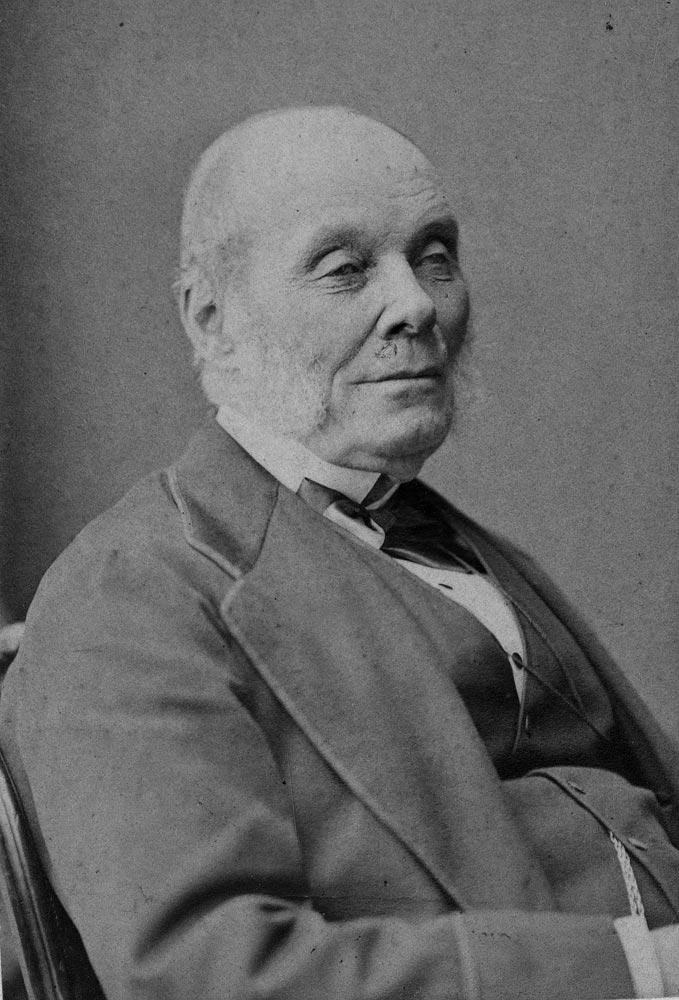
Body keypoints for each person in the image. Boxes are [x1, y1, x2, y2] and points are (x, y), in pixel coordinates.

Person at [1, 106, 678, 1000]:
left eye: (434, 256)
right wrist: (641, 970)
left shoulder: (455, 539)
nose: (416, 304)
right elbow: (212, 975)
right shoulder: (129, 595)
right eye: (345, 269)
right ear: (211, 318)